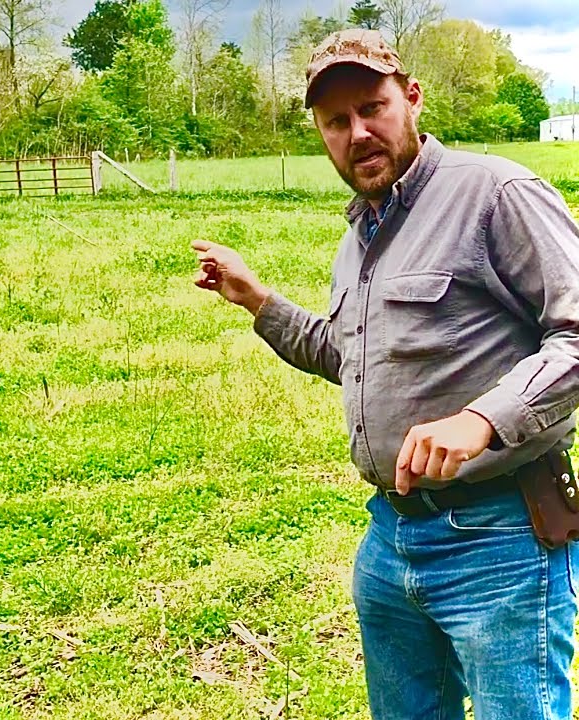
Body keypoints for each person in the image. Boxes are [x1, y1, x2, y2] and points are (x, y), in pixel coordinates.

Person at [192, 29, 579, 720]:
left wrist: (484, 418)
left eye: (373, 108)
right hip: (390, 541)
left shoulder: (494, 193)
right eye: (336, 122)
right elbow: (352, 358)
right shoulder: (362, 234)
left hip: (500, 543)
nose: (358, 132)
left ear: (412, 98)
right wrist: (257, 300)